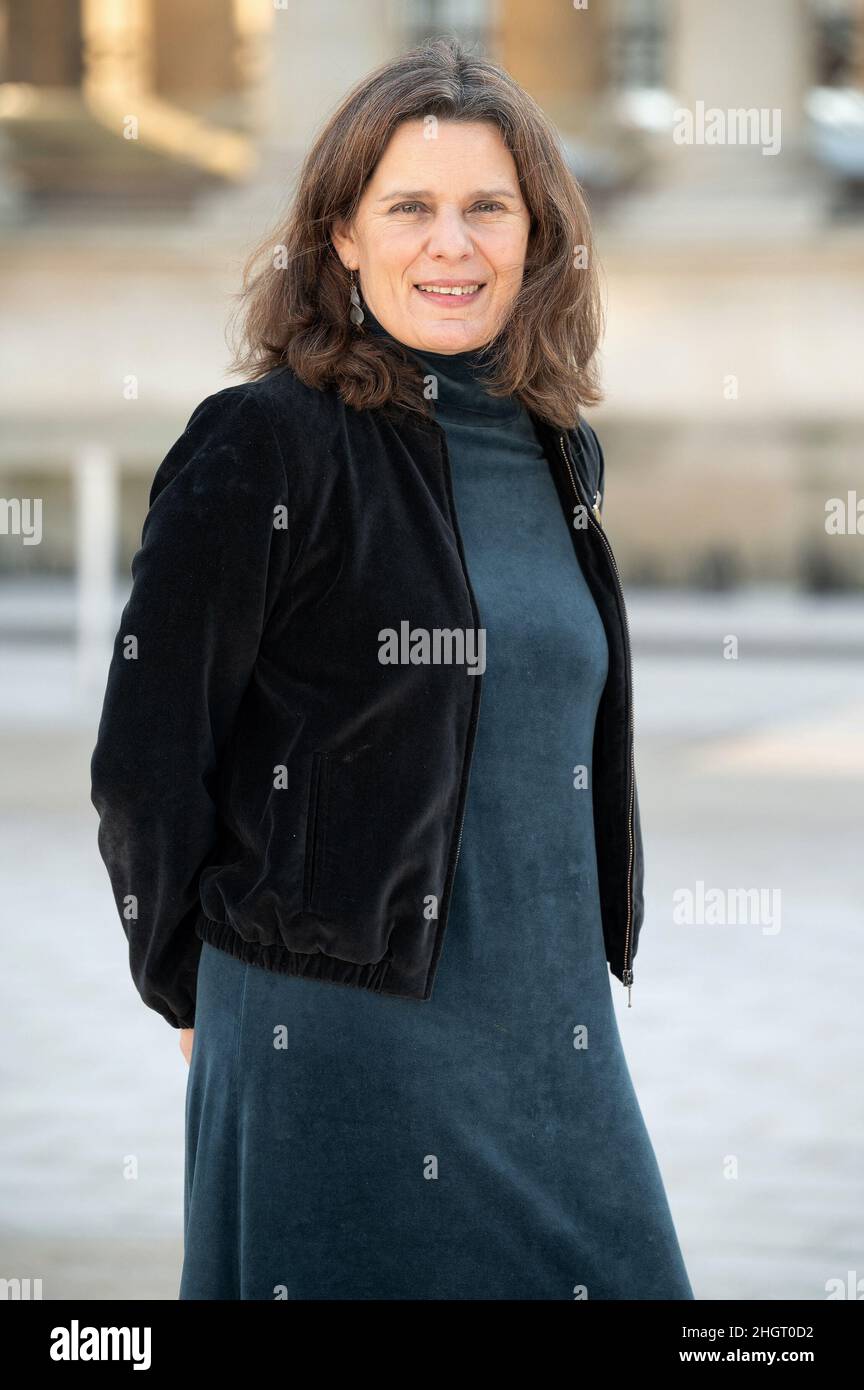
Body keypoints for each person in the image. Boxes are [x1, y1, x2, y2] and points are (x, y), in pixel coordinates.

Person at [90, 36, 694, 1301]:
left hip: (552, 1030)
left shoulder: (558, 452)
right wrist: (195, 985)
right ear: (341, 239)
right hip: (339, 1035)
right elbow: (149, 758)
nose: (452, 245)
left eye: (488, 208)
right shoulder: (265, 446)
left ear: (538, 236)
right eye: (408, 209)